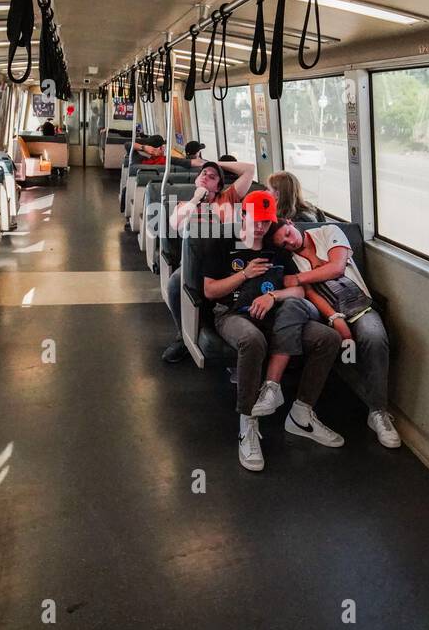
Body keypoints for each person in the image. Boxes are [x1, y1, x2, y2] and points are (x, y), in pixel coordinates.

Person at [203, 191, 343, 471]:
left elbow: (297, 288)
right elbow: (209, 291)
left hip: (274, 314)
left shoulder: (275, 247)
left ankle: (301, 414)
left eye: (265, 222)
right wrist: (244, 274)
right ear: (244, 215)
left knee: (328, 338)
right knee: (252, 340)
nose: (259, 227)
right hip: (231, 314)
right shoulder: (219, 241)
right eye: (255, 220)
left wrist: (273, 297)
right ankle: (248, 423)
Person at [270, 219, 401, 448]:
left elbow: (337, 267)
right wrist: (334, 318)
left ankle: (378, 412)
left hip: (357, 304)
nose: (290, 243)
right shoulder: (290, 259)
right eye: (283, 243)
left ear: (291, 223)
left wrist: (300, 277)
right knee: (324, 337)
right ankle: (302, 410)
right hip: (325, 311)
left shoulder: (328, 232)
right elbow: (310, 293)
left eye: (288, 234)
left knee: (374, 337)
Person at [160, 156, 256, 363]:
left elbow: (249, 169)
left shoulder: (229, 197)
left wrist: (215, 164)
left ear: (219, 185)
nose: (206, 176)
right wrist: (196, 200)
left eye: (212, 177)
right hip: (196, 262)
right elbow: (174, 225)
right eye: (203, 173)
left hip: (227, 260)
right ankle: (182, 334)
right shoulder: (185, 204)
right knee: (175, 284)